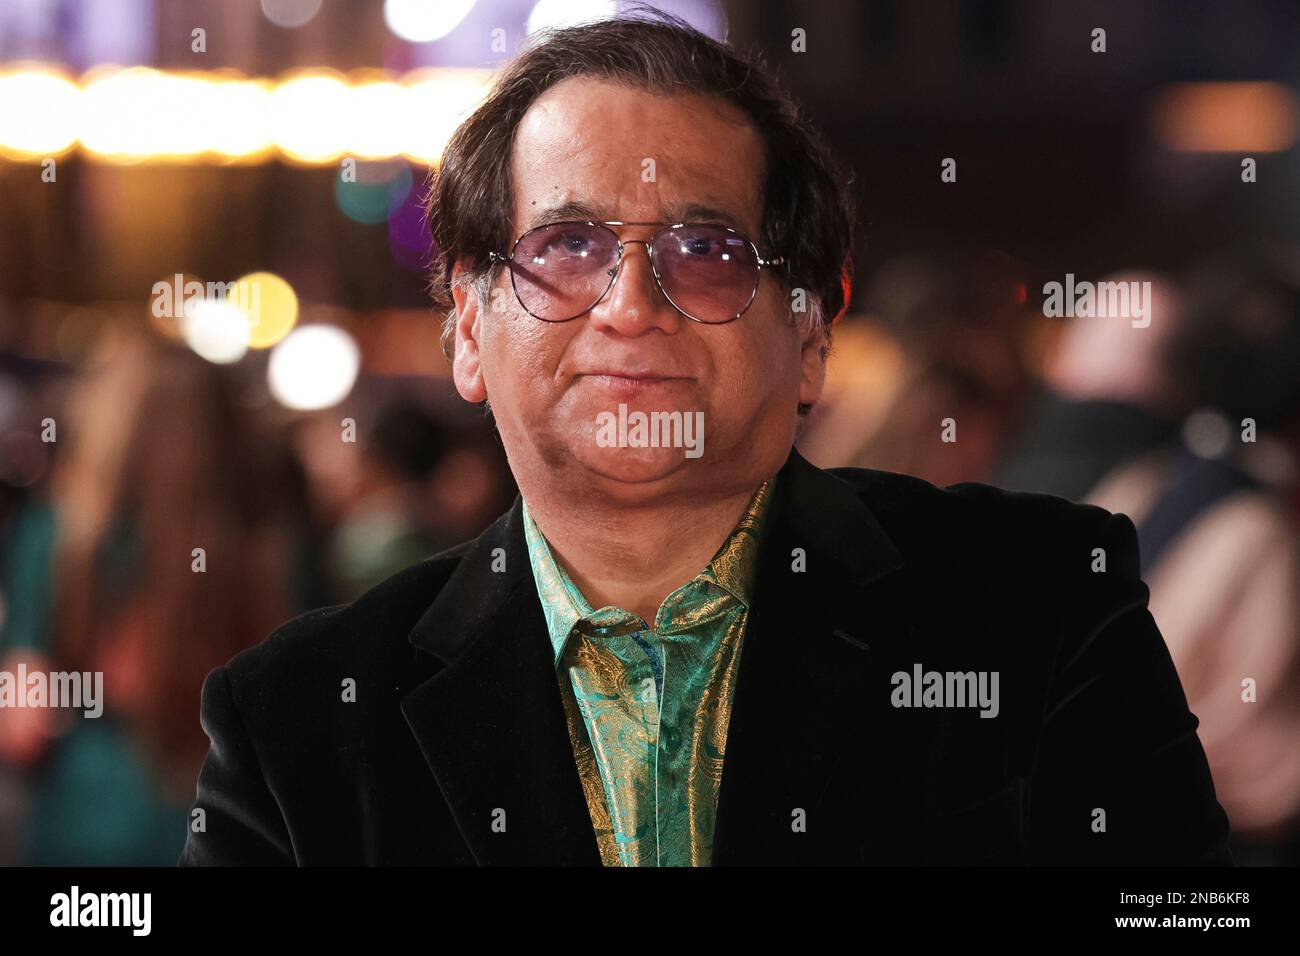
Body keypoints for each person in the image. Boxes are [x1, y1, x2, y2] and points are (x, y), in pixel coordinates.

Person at [178, 10, 1230, 866]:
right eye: (568, 244)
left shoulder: (1039, 607)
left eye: (707, 250)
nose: (631, 306)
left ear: (808, 335)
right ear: (467, 327)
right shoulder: (297, 721)